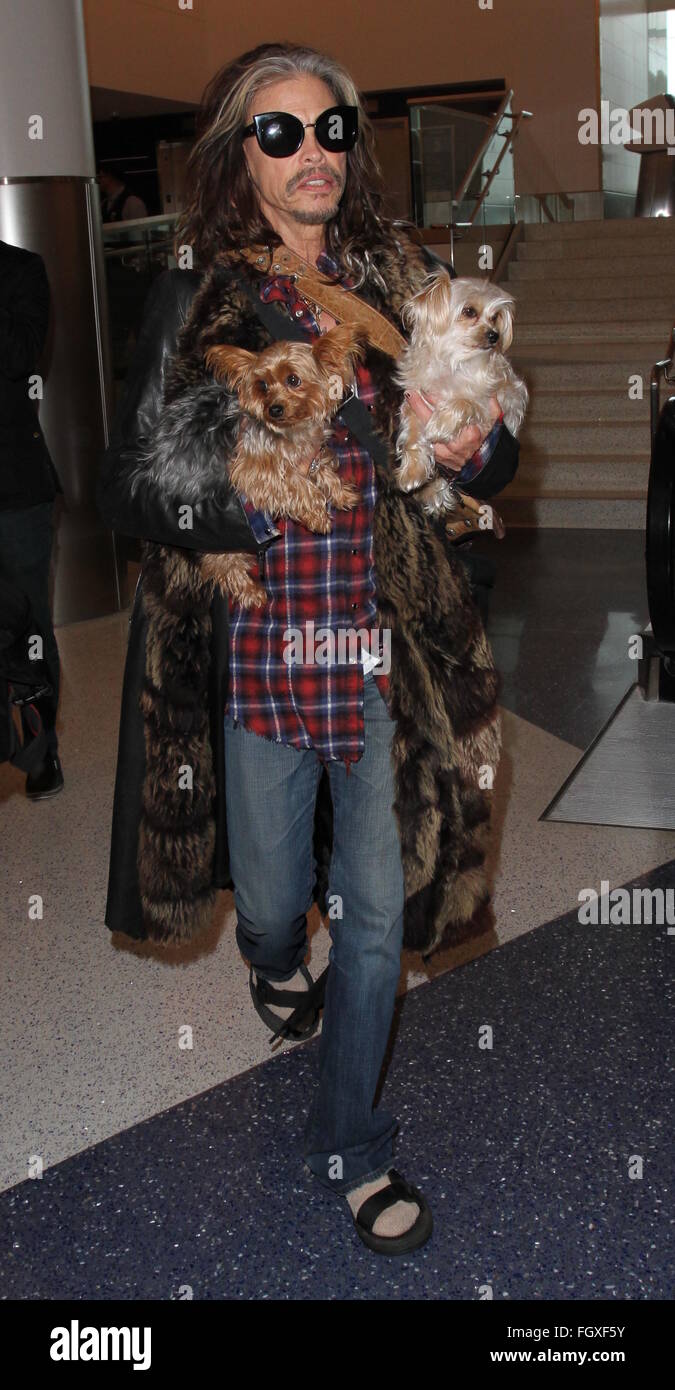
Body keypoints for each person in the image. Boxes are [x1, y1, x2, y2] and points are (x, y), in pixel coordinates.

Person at [97, 42, 519, 1257]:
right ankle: (275, 965)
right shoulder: (197, 293)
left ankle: (351, 1147)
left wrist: (466, 442)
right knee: (276, 902)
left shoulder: (400, 281)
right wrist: (252, 494)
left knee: (376, 917)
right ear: (240, 158)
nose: (313, 154)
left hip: (384, 649)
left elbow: (488, 451)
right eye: (280, 135)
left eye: (330, 130)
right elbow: (135, 484)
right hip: (261, 649)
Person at [0, 238, 63, 799]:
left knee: (29, 627)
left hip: (14, 488)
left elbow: (20, 358)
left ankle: (40, 752)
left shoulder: (20, 270)